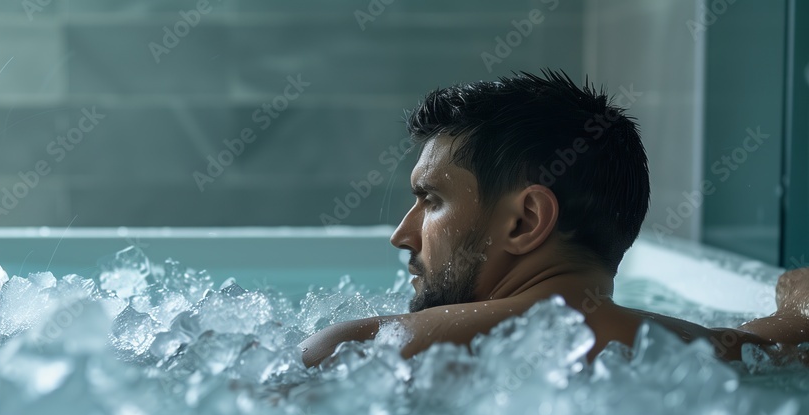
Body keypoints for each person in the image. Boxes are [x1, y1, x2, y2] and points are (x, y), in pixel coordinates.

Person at [300, 69, 809, 369]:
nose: (401, 235)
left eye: (431, 200)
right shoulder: (705, 351)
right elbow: (794, 328)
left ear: (526, 221)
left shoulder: (365, 349)